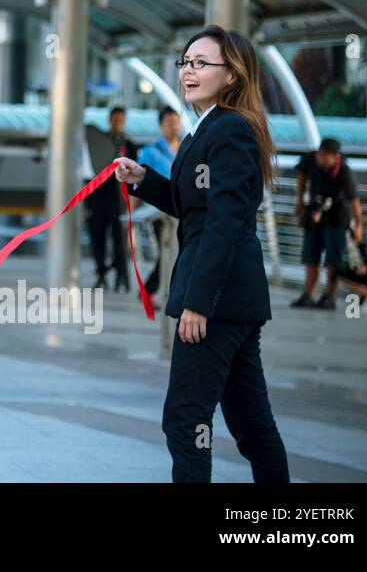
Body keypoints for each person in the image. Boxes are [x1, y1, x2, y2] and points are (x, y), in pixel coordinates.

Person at [115, 25, 288, 483]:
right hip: (231, 301)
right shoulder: (207, 126)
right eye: (185, 62)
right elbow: (193, 208)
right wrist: (144, 180)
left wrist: (198, 302)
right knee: (251, 426)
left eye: (201, 63)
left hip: (218, 301)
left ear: (232, 75)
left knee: (186, 418)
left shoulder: (229, 129)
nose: (188, 71)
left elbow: (225, 224)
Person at [291, 138, 362, 309]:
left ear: (335, 157)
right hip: (314, 214)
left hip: (336, 218)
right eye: (320, 155)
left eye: (326, 157)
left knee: (333, 260)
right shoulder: (310, 159)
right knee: (311, 257)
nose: (321, 159)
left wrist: (358, 224)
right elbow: (301, 176)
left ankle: (329, 296)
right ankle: (308, 294)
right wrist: (299, 200)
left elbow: (354, 200)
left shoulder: (344, 170)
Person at [85, 106, 137, 291]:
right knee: (97, 236)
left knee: (119, 239)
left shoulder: (128, 145)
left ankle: (121, 275)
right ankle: (101, 273)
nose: (117, 122)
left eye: (120, 119)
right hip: (97, 198)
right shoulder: (98, 141)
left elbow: (135, 175)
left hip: (119, 200)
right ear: (109, 120)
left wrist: (131, 202)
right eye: (114, 119)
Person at [137, 106, 183, 297]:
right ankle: (151, 290)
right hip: (156, 210)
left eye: (176, 122)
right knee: (166, 250)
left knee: (175, 249)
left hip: (180, 209)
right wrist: (131, 213)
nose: (173, 126)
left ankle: (158, 290)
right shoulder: (151, 151)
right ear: (161, 125)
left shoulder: (186, 147)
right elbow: (137, 182)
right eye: (169, 123)